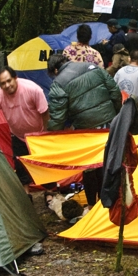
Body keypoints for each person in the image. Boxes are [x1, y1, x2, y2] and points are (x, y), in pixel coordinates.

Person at [47, 52, 122, 206]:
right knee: (106, 163)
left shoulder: (58, 83)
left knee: (88, 168)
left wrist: (50, 138)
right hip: (107, 125)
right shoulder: (94, 67)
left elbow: (57, 118)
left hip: (84, 131)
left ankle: (91, 205)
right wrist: (114, 115)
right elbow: (115, 92)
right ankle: (107, 204)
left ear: (55, 70)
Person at [0, 67, 50, 186]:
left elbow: (45, 112)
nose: (7, 85)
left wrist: (44, 131)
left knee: (44, 165)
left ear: (15, 78)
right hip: (18, 136)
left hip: (38, 135)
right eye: (3, 83)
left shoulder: (32, 89)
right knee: (20, 167)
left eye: (9, 81)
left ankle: (50, 194)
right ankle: (26, 196)